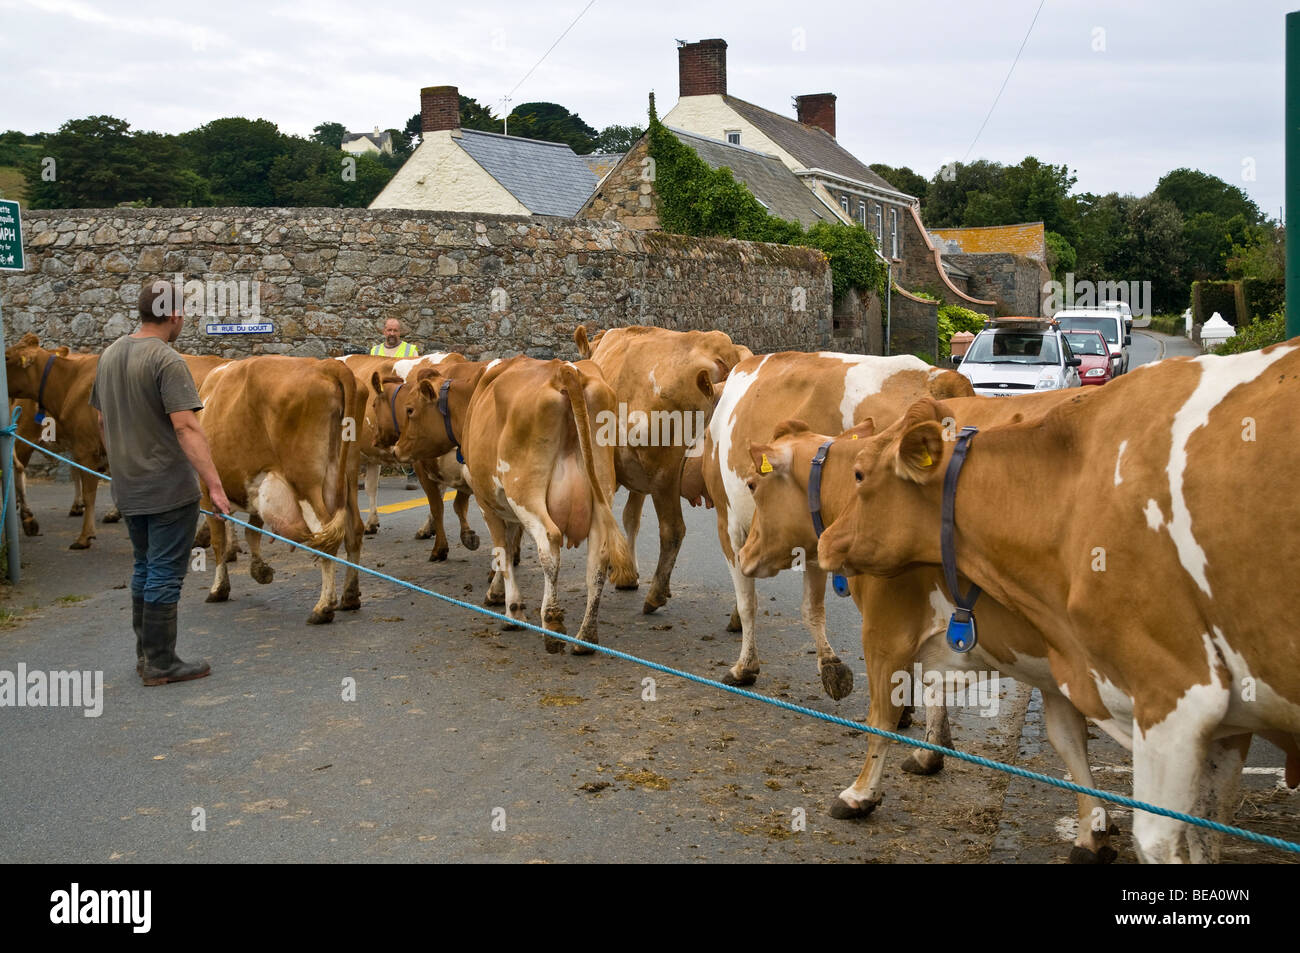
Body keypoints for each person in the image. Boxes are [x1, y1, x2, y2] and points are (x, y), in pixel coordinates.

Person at [90, 279, 232, 686]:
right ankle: (161, 662)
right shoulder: (167, 360)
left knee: (144, 566)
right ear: (172, 315)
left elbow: (101, 420)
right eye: (182, 312)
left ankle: (145, 656)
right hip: (167, 488)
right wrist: (215, 486)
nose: (183, 319)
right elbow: (187, 427)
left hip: (128, 486)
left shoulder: (110, 354)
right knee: (166, 572)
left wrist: (120, 462)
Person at [370, 318, 420, 488]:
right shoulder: (374, 350)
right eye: (389, 330)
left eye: (395, 331)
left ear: (400, 332)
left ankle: (412, 473)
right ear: (384, 331)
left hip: (400, 400)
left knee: (407, 432)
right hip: (382, 400)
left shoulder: (410, 350)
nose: (392, 334)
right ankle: (370, 469)